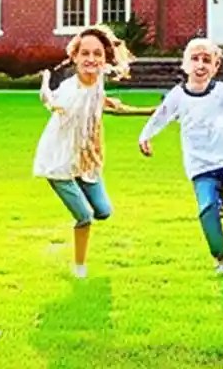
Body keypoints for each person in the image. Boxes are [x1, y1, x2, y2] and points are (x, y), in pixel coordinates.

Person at [138, 38, 223, 278]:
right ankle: (222, 260)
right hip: (201, 166)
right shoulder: (178, 96)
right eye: (195, 59)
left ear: (215, 66)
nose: (200, 65)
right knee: (207, 208)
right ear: (185, 64)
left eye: (207, 60)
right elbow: (161, 116)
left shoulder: (222, 92)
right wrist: (145, 136)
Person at [35, 25, 132, 279]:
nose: (91, 59)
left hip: (86, 161)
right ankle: (79, 267)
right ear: (74, 57)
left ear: (104, 58)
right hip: (59, 163)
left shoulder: (98, 79)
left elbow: (94, 98)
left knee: (104, 211)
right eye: (85, 53)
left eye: (97, 54)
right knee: (86, 217)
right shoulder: (69, 90)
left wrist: (110, 103)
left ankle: (83, 192)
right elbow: (53, 102)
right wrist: (45, 86)